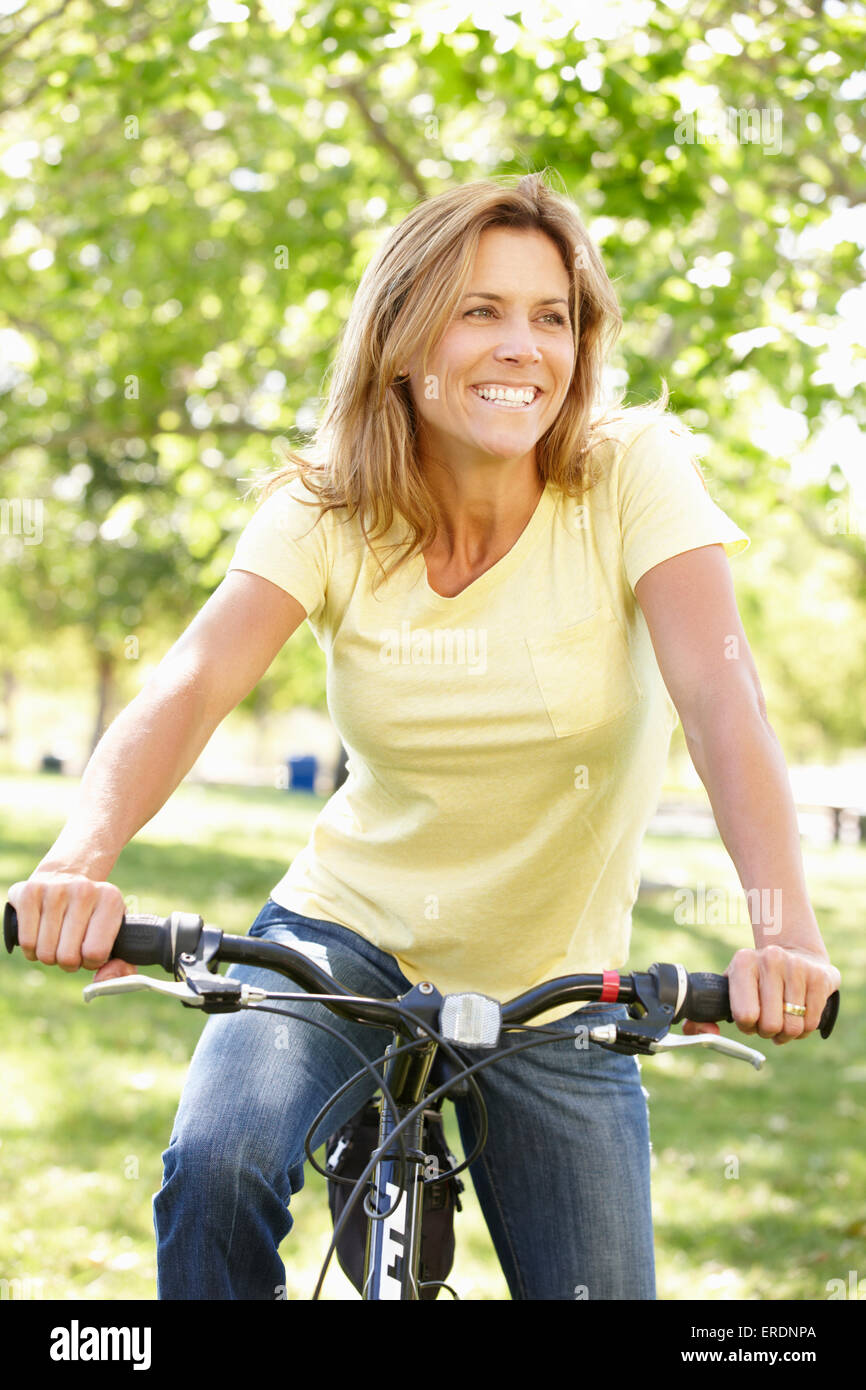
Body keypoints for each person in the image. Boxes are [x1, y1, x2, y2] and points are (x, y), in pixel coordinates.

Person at [7, 171, 840, 1301]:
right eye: (478, 310)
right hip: (339, 941)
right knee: (218, 1165)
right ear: (403, 339)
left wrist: (782, 930)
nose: (522, 347)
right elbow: (191, 686)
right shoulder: (328, 505)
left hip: (555, 984)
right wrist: (77, 861)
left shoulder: (629, 473)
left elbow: (719, 701)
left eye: (551, 316)